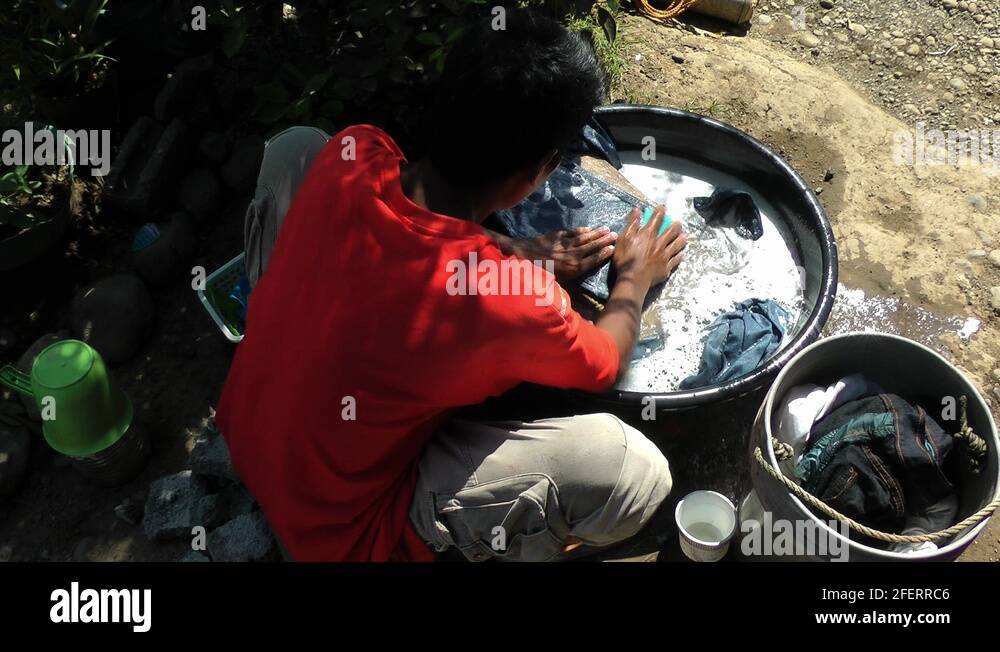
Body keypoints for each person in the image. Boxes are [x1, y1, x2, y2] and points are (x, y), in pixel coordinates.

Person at [215, 8, 687, 562]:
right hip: (344, 537)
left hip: (247, 435)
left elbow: (417, 241)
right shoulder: (502, 300)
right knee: (634, 471)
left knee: (298, 147)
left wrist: (512, 252)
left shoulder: (357, 153)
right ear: (540, 171)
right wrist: (633, 276)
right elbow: (605, 363)